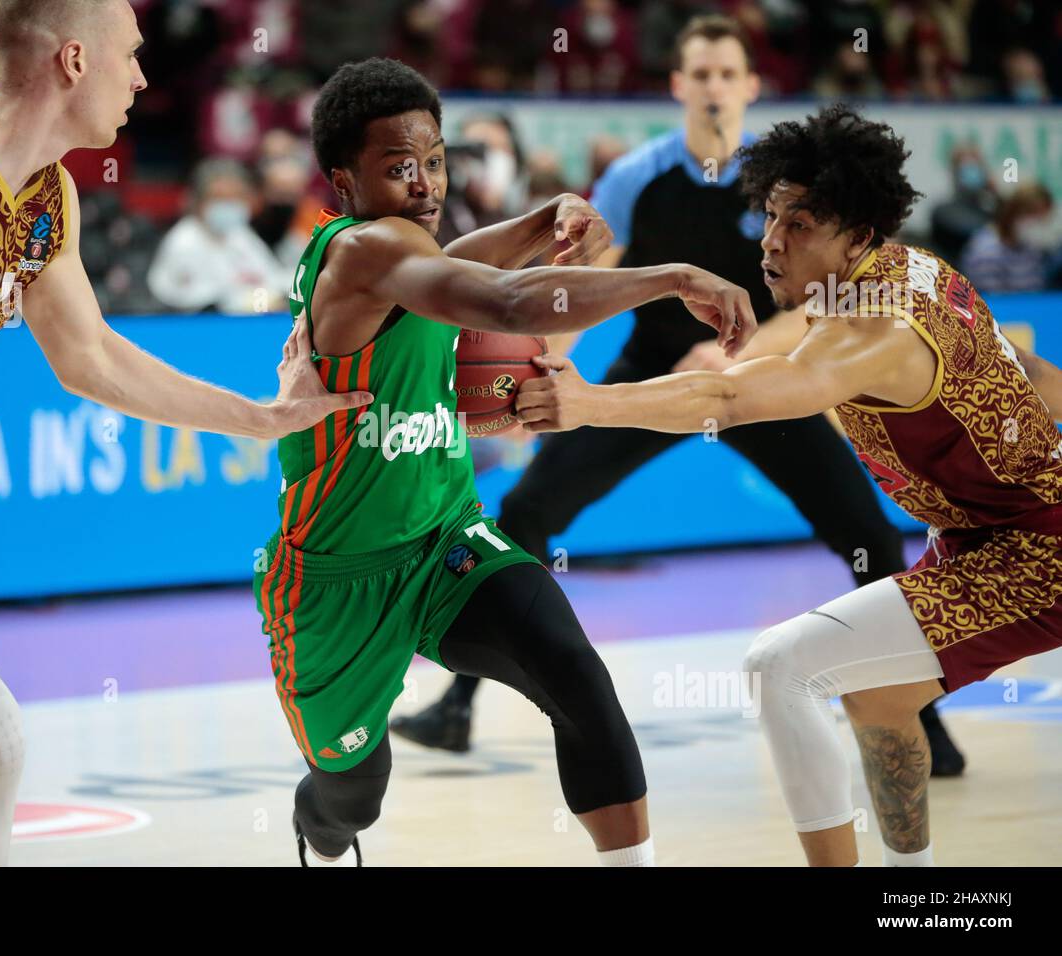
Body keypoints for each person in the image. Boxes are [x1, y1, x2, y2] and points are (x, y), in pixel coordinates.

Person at [0, 0, 368, 869]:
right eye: (132, 55)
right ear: (76, 61)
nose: (144, 78)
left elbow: (89, 358)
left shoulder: (50, 195)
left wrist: (263, 418)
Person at [393, 14, 965, 777]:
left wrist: (743, 349)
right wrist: (539, 379)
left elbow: (816, 297)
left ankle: (925, 723)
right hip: (652, 376)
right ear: (677, 86)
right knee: (526, 513)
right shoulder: (637, 177)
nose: (714, 88)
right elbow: (581, 285)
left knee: (864, 530)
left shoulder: (784, 183)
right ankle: (458, 706)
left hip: (759, 383)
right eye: (700, 75)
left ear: (751, 86)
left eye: (729, 75)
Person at [514, 104, 1062, 866]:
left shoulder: (871, 329)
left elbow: (730, 399)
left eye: (801, 226)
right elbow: (1031, 375)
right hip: (977, 538)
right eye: (772, 216)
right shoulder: (919, 267)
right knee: (880, 697)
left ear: (858, 235)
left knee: (781, 666)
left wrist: (588, 404)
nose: (772, 243)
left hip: (1038, 550)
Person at [257, 56, 756, 867]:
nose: (424, 182)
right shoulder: (358, 254)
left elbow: (466, 263)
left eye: (435, 159)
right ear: (343, 182)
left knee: (575, 674)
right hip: (337, 578)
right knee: (353, 798)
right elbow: (508, 300)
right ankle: (319, 828)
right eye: (397, 167)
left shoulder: (408, 252)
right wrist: (670, 278)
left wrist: (539, 221)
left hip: (446, 543)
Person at [147, 158, 294, 313]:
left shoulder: (241, 235)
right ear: (198, 201)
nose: (229, 204)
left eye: (236, 197)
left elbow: (271, 280)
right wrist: (251, 301)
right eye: (219, 197)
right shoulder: (184, 241)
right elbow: (194, 300)